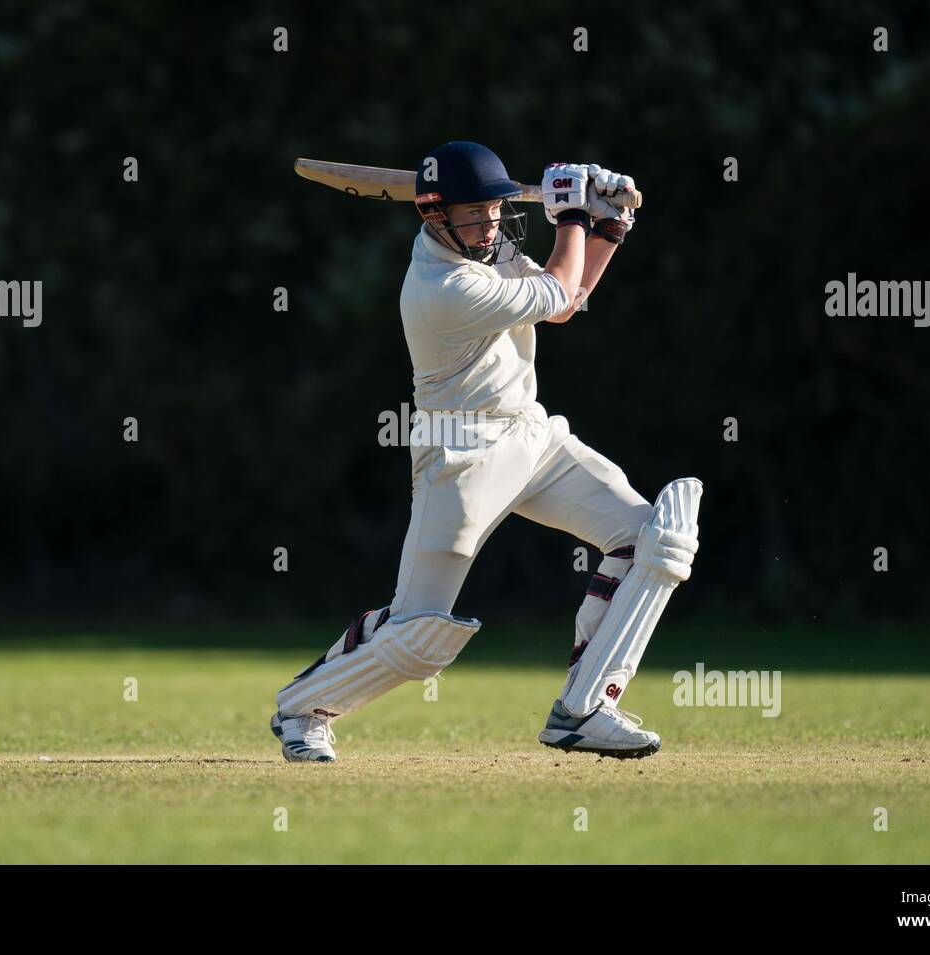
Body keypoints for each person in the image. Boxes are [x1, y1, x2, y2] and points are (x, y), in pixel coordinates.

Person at [271, 141, 701, 762]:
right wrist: (574, 217)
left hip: (532, 434)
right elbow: (555, 293)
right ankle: (302, 710)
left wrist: (606, 226)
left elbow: (565, 304)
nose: (490, 225)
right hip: (462, 452)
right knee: (420, 635)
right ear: (433, 216)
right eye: (473, 215)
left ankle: (584, 710)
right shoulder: (441, 287)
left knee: (653, 541)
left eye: (494, 212)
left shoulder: (489, 250)